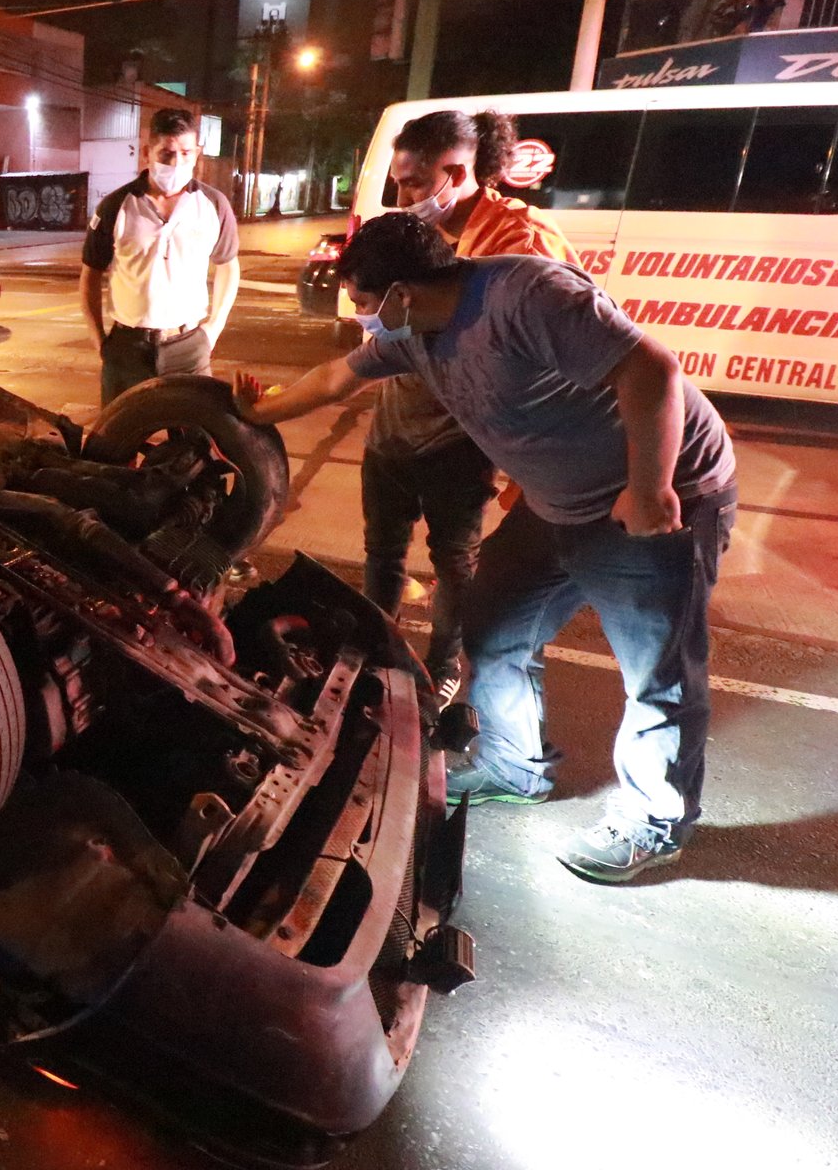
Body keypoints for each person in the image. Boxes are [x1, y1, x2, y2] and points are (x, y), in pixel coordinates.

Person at [238, 213, 738, 884]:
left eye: (363, 302)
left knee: (658, 672)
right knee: (493, 621)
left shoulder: (525, 295)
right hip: (553, 503)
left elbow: (652, 370)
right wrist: (256, 412)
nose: (360, 318)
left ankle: (655, 821)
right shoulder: (415, 335)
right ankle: (513, 763)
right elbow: (336, 379)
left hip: (646, 498)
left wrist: (650, 487)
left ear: (402, 293)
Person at [366, 109, 578, 704]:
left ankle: (441, 670)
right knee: (383, 553)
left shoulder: (521, 243)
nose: (403, 196)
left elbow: (564, 355)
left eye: (412, 182)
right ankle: (374, 652)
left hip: (460, 443)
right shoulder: (416, 235)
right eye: (398, 183)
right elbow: (374, 341)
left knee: (454, 562)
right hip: (395, 426)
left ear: (456, 171)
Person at [80, 107, 241, 405]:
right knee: (114, 445)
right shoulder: (116, 206)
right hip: (128, 348)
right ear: (146, 152)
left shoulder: (213, 205)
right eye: (166, 154)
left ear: (197, 154)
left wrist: (214, 327)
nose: (176, 162)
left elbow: (228, 266)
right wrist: (99, 341)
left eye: (185, 153)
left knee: (195, 443)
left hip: (188, 347)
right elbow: (90, 274)